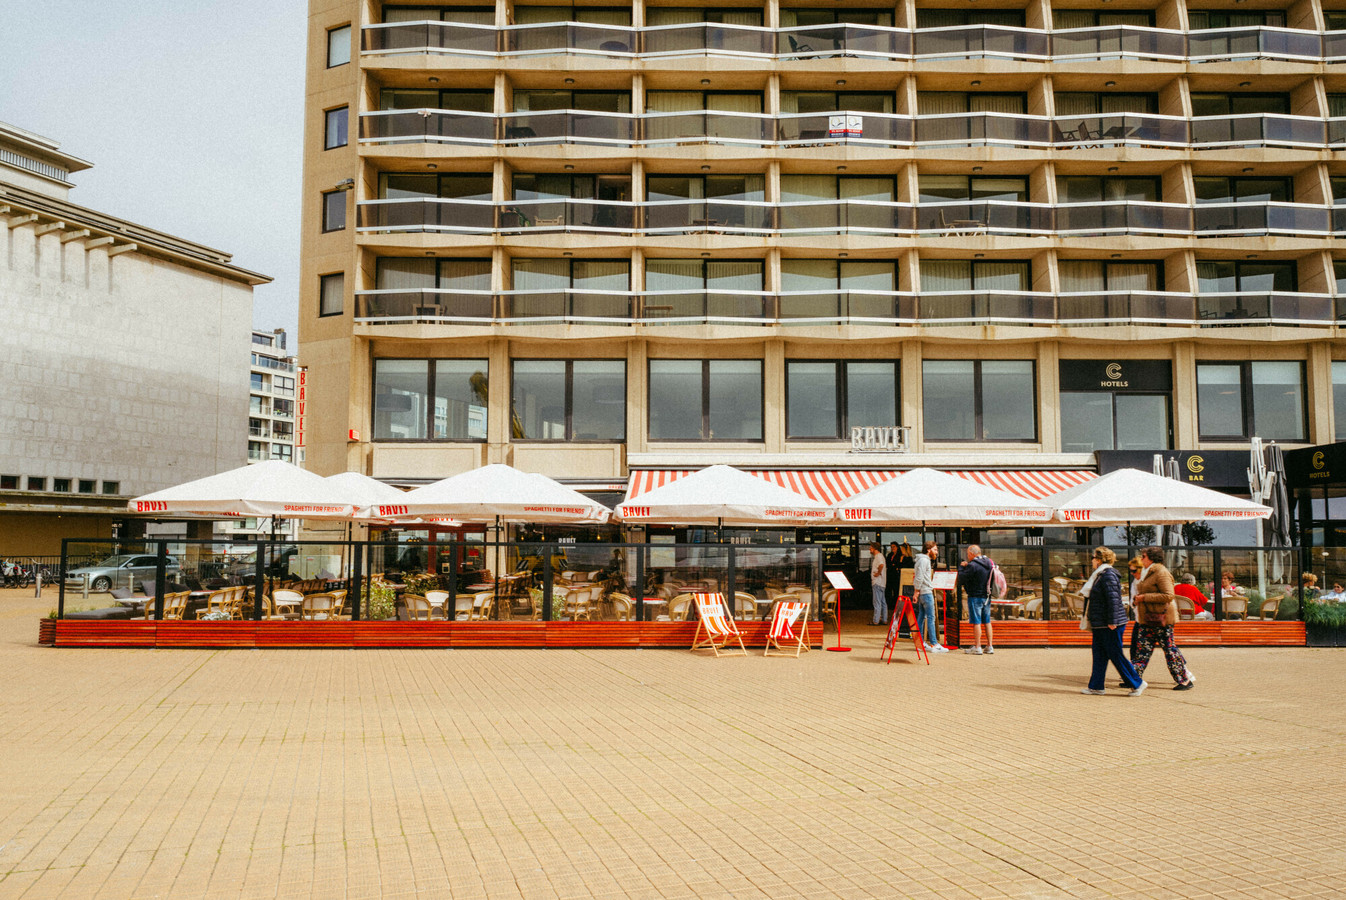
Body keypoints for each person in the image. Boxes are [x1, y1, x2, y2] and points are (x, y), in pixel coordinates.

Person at [1081, 546, 1146, 696]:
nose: (1091, 560)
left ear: (1099, 559)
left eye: (1093, 558)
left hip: (1109, 623)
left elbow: (1113, 599)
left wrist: (1113, 621)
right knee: (1099, 654)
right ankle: (1096, 686)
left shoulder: (1108, 575)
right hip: (1100, 622)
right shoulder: (1099, 575)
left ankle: (1137, 683)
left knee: (1115, 654)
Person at [1131, 547, 1194, 691]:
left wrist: (1144, 598)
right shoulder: (1149, 572)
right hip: (1148, 618)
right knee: (1142, 650)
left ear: (1152, 558)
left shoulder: (1161, 573)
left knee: (1169, 649)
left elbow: (1168, 595)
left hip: (1162, 619)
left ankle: (1184, 680)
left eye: (1144, 556)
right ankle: (1133, 679)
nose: (1141, 559)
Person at [957, 544, 995, 655]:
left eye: (968, 554)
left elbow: (962, 578)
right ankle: (989, 646)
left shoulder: (973, 565)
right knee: (987, 621)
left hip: (975, 596)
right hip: (987, 596)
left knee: (976, 622)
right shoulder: (990, 562)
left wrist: (961, 567)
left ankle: (977, 646)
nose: (967, 556)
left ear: (972, 554)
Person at [913, 540, 948, 653]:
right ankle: (934, 643)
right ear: (928, 550)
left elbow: (918, 576)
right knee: (931, 618)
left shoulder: (921, 560)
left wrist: (917, 591)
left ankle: (920, 642)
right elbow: (919, 577)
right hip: (926, 592)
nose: (936, 552)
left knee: (921, 617)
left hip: (923, 592)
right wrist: (916, 591)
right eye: (935, 549)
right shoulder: (924, 560)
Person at [868, 542, 887, 626]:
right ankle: (884, 619)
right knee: (883, 601)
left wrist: (878, 573)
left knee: (877, 602)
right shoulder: (880, 556)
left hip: (877, 582)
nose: (870, 549)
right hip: (882, 582)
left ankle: (876, 620)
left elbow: (881, 565)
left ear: (875, 548)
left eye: (871, 547)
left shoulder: (878, 556)